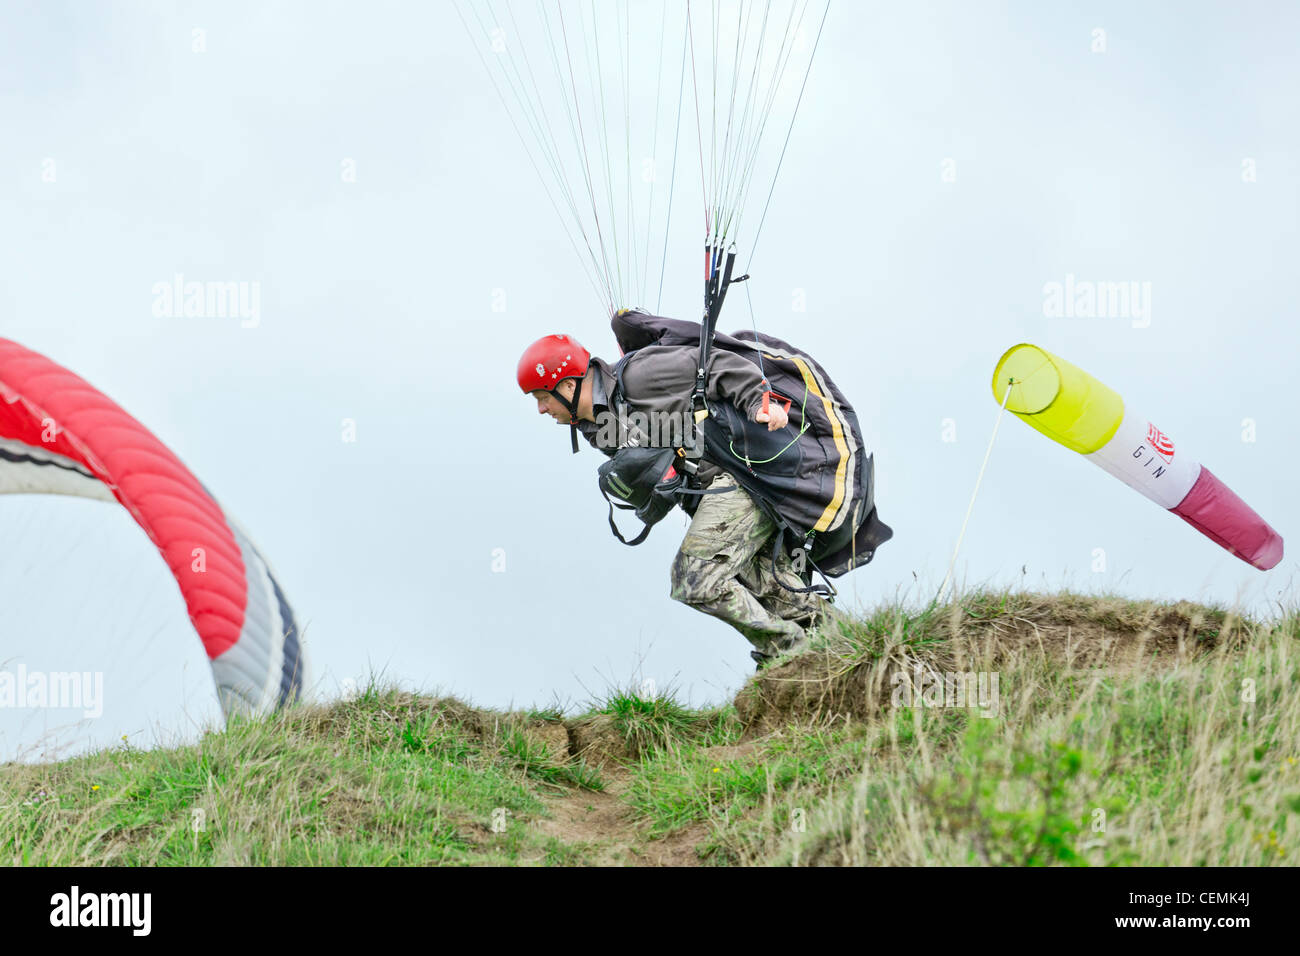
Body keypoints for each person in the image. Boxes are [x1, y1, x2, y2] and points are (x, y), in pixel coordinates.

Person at [517, 331, 850, 669]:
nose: (542, 409)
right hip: (711, 495)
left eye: (542, 397)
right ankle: (849, 648)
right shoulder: (596, 425)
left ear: (568, 386)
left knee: (694, 578)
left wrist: (757, 401)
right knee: (771, 588)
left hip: (741, 476)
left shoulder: (640, 375)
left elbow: (715, 363)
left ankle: (785, 652)